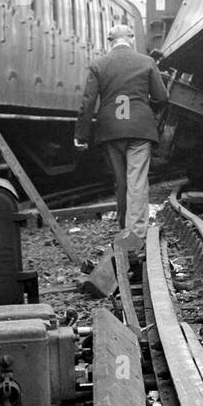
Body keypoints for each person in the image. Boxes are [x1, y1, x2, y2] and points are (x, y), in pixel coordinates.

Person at [74, 23, 168, 257]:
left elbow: (88, 102)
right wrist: (147, 111)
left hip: (110, 131)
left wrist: (81, 134)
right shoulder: (146, 62)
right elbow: (162, 96)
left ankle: (124, 228)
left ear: (110, 41)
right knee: (137, 180)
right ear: (131, 39)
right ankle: (135, 234)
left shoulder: (99, 65)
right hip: (139, 130)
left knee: (121, 180)